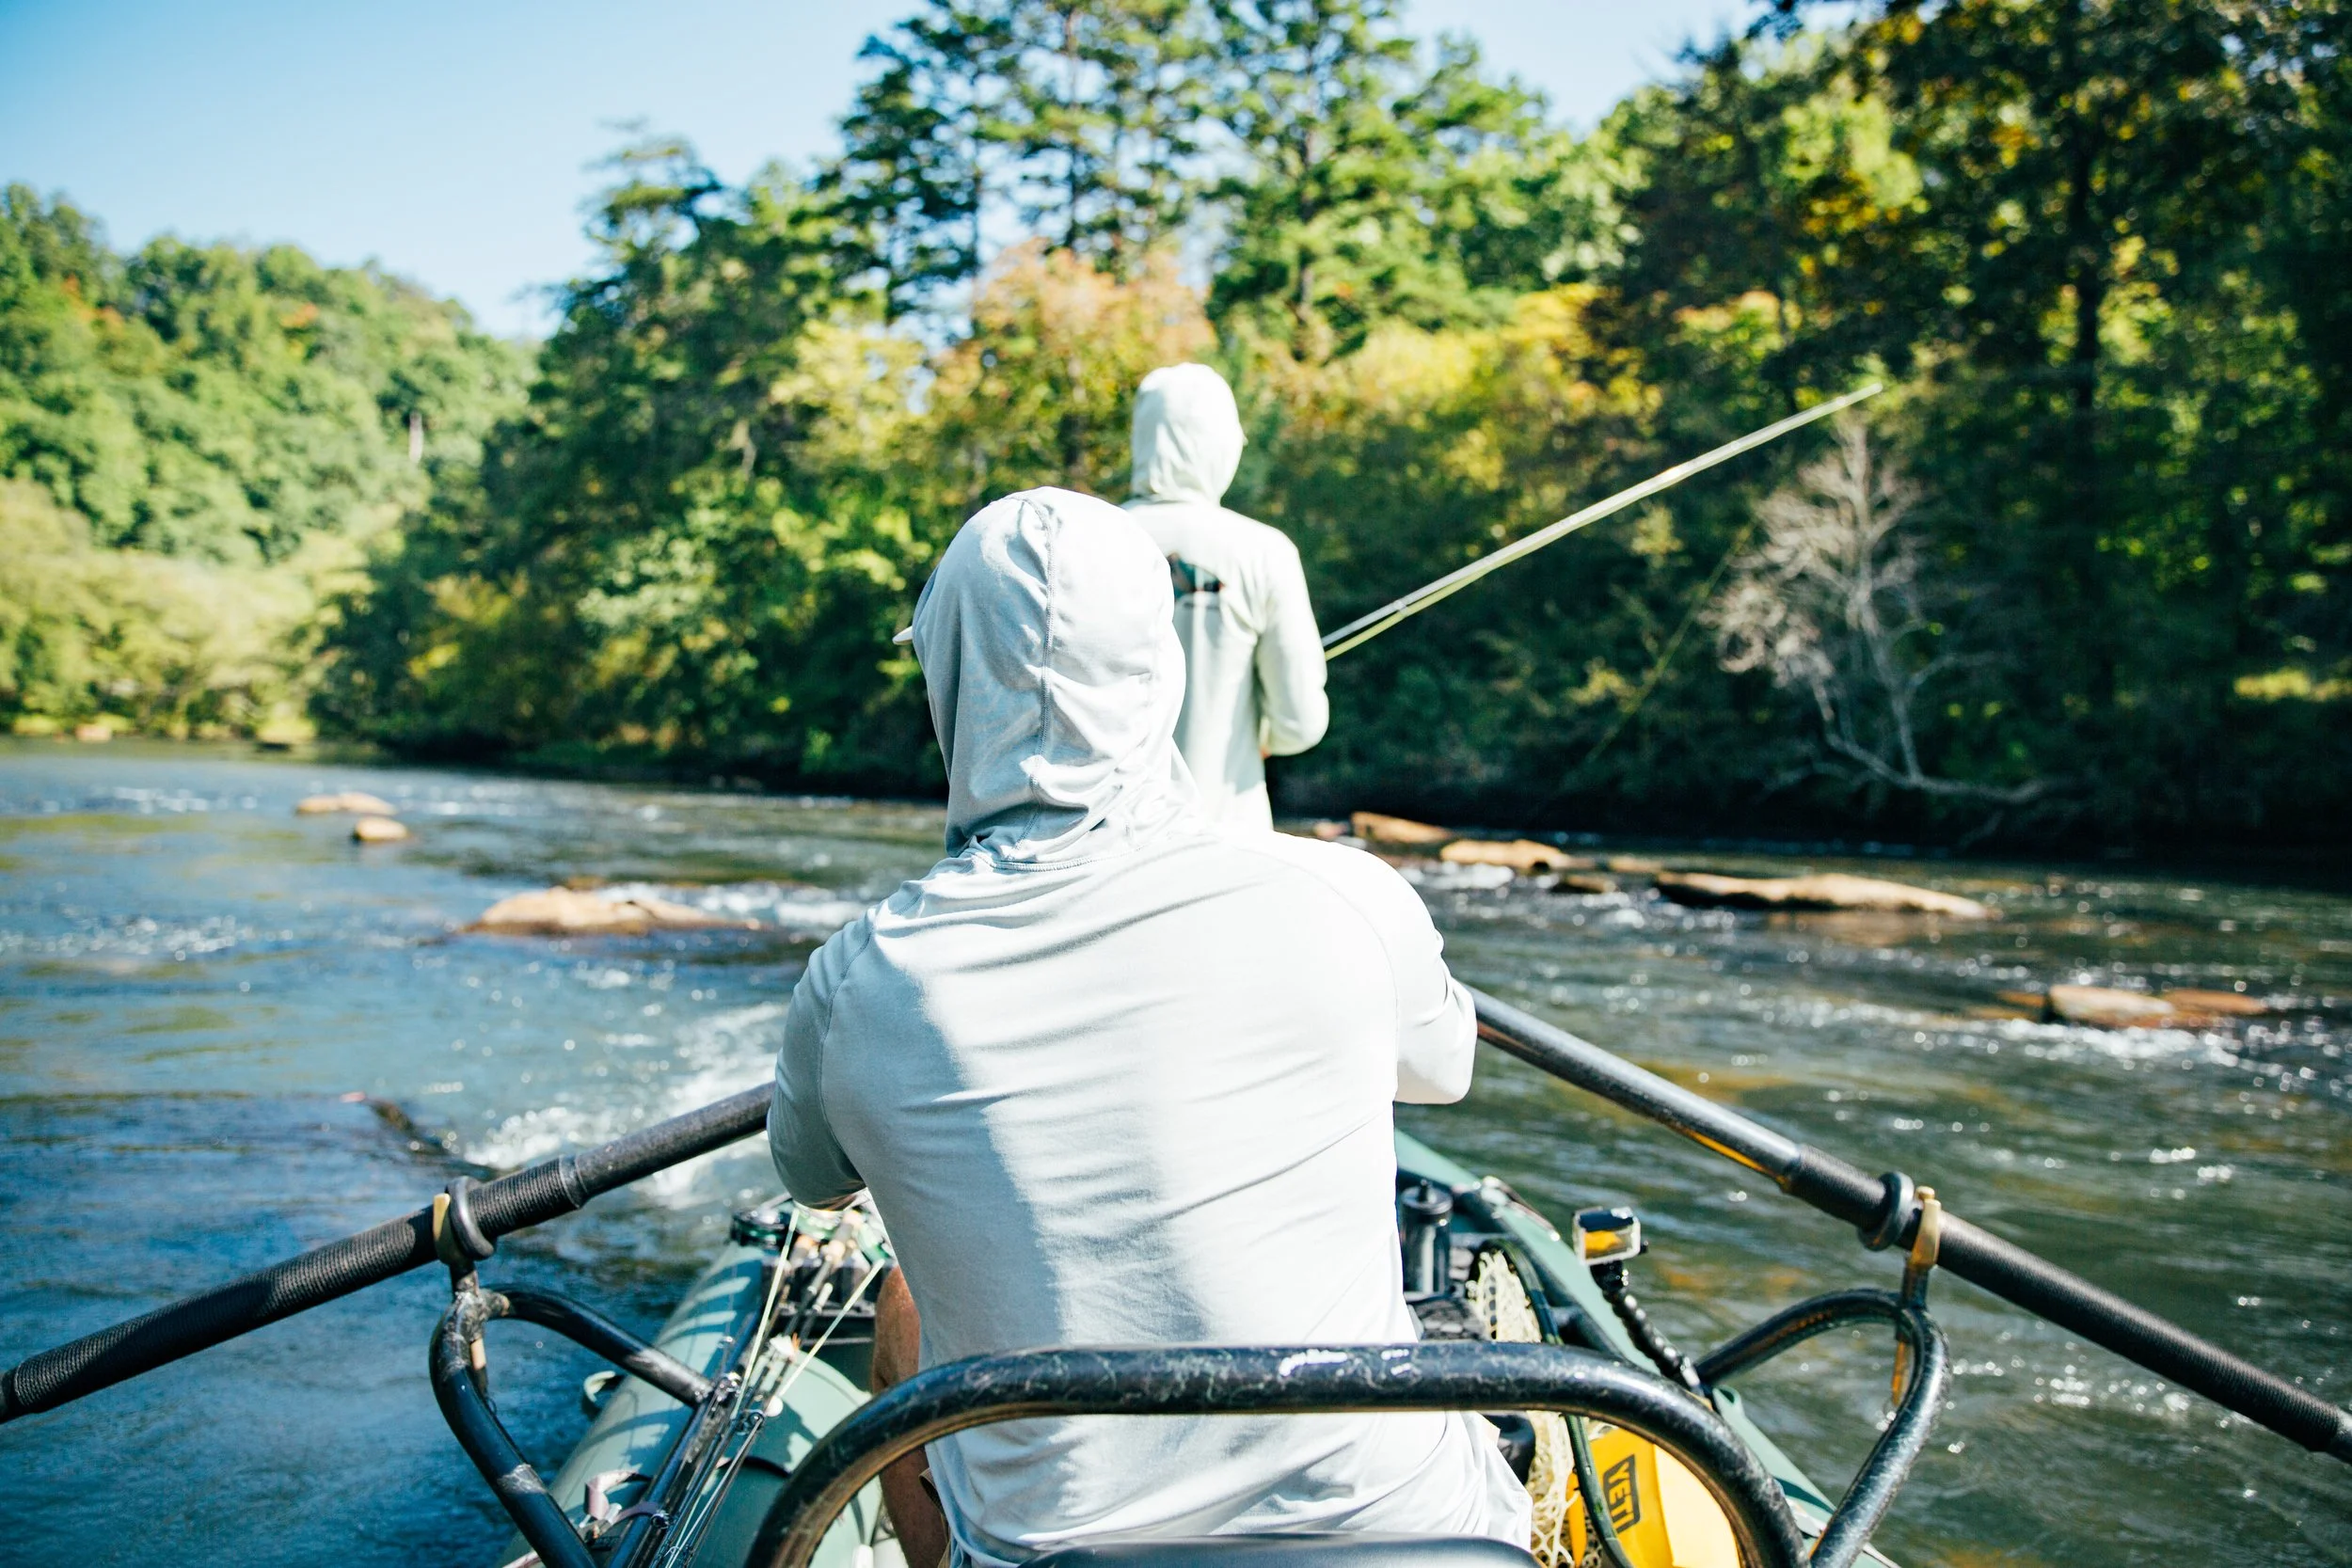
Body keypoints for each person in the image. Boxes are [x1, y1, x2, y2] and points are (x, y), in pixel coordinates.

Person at [769, 487, 1529, 1568]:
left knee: (903, 1305)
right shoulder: (1346, 897)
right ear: (1159, 670)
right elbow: (1441, 1065)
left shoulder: (856, 978)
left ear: (944, 683)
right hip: (1418, 1542)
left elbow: (809, 1176)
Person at [1124, 363, 1327, 832]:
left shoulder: (1086, 538)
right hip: (1229, 847)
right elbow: (1300, 721)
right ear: (1221, 446)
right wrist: (1266, 733)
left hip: (1103, 853)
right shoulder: (1265, 552)